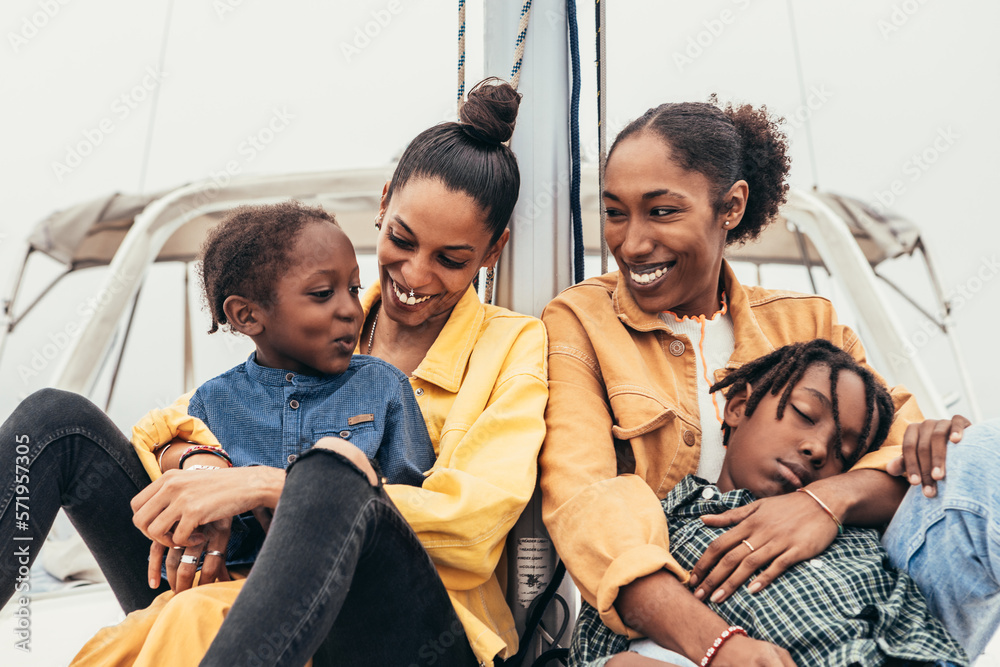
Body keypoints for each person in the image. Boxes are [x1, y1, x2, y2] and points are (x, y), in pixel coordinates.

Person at [2, 77, 547, 667]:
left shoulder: (512, 345)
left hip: (400, 632)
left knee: (335, 473)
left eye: (452, 259)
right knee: (52, 422)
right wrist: (200, 465)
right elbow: (170, 422)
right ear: (384, 204)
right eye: (401, 239)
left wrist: (269, 485)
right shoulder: (316, 330)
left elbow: (471, 529)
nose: (414, 275)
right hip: (236, 581)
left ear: (493, 252)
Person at [539, 98, 986, 666]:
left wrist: (826, 501)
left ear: (730, 206)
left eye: (662, 212)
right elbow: (586, 500)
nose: (631, 243)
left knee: (982, 456)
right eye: (615, 212)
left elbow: (905, 452)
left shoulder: (810, 323)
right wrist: (719, 647)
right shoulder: (582, 321)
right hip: (684, 624)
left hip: (843, 598)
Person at [568, 340, 968, 667]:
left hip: (924, 656)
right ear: (739, 406)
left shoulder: (857, 527)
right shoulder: (661, 519)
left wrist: (949, 446)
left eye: (842, 453)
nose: (817, 449)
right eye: (804, 414)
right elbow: (604, 641)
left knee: (981, 448)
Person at [141, 201, 436, 591]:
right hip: (231, 594)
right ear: (246, 316)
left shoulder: (384, 388)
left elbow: (417, 519)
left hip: (352, 593)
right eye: (322, 293)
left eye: (353, 289)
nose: (351, 309)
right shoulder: (211, 403)